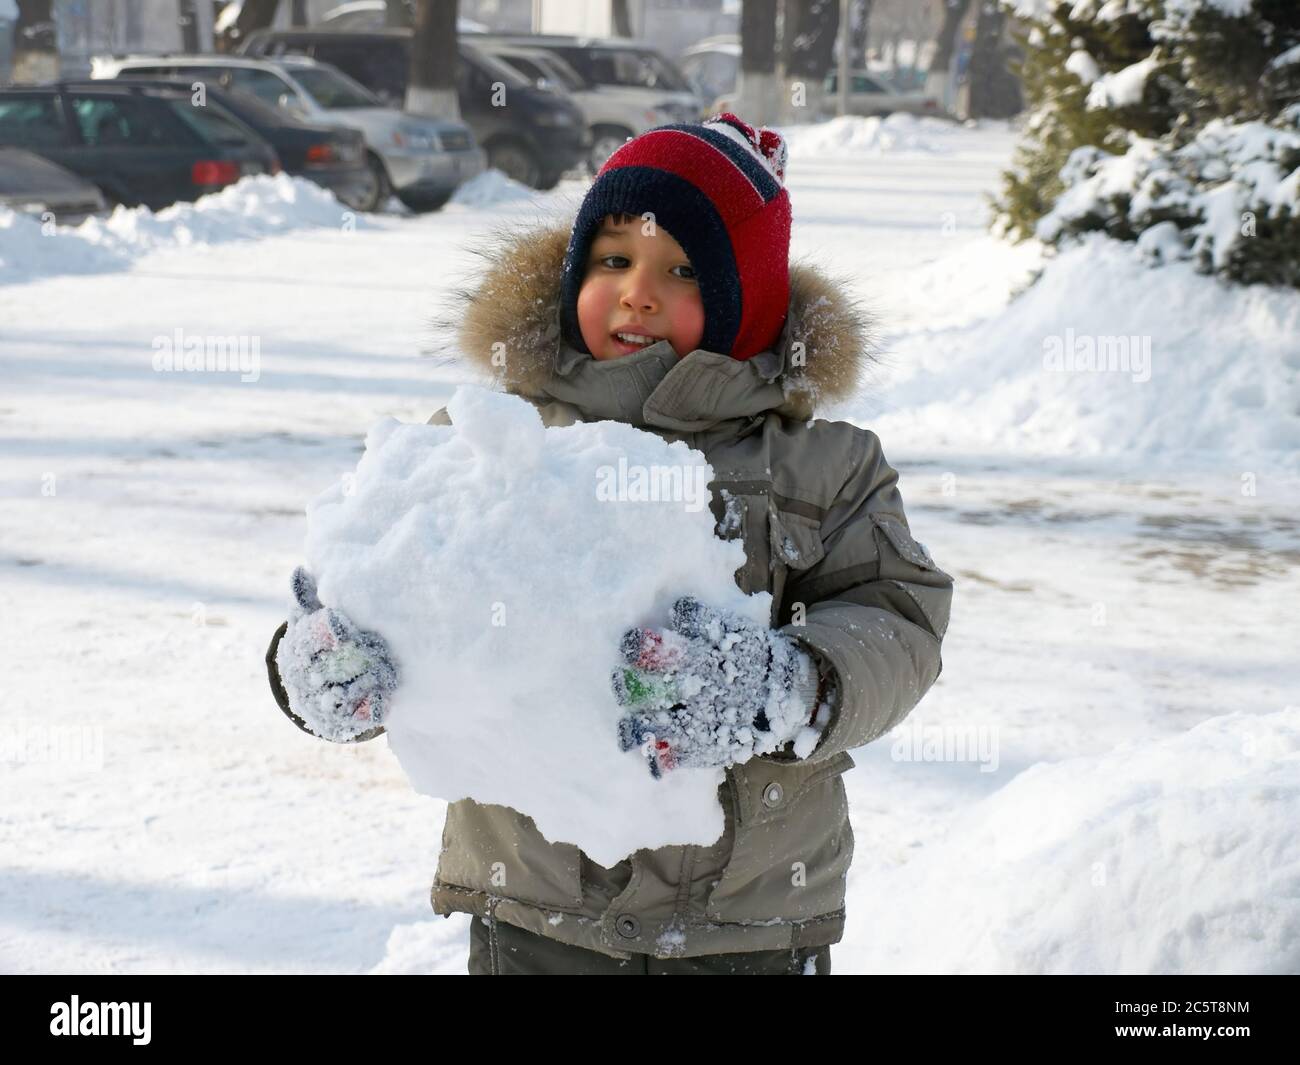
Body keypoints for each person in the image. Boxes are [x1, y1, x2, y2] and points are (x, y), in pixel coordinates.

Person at [265, 112, 954, 974]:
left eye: (684, 270)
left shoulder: (821, 466)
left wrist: (787, 685)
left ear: (751, 299)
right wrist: (331, 668)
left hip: (746, 920)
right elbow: (391, 596)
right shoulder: (489, 441)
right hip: (535, 909)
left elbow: (899, 617)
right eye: (614, 259)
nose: (638, 291)